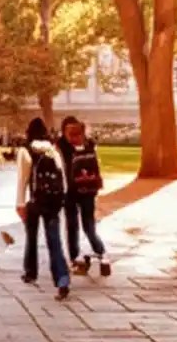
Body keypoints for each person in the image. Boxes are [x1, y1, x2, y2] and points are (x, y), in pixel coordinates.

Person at [16, 117, 71, 300]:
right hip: (52, 201)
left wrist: (20, 203)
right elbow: (62, 176)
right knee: (54, 241)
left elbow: (22, 180)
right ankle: (62, 279)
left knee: (31, 238)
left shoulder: (26, 150)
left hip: (34, 201)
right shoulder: (52, 150)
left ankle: (31, 271)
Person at [57, 116, 111, 277]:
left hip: (79, 191)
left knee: (80, 226)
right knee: (81, 226)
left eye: (77, 133)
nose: (74, 136)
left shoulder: (64, 147)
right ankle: (91, 254)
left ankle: (86, 255)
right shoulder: (83, 145)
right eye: (71, 133)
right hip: (79, 190)